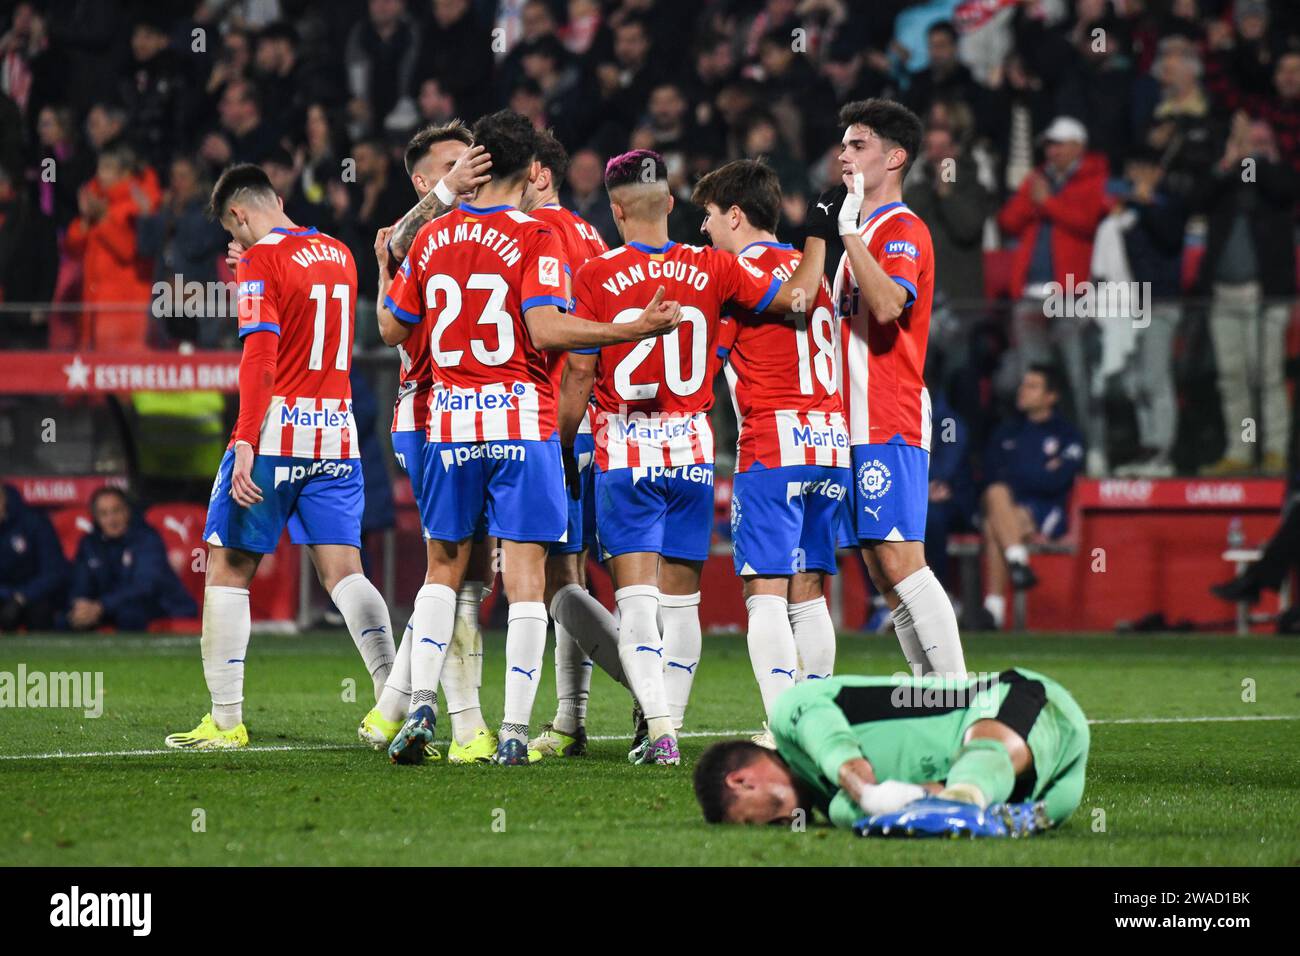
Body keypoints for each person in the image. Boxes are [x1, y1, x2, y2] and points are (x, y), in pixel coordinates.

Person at [376, 111, 681, 766]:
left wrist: (434, 206)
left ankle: (421, 702)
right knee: (536, 580)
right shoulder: (551, 235)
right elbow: (553, 336)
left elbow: (393, 328)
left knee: (446, 574)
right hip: (534, 425)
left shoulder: (430, 237)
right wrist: (631, 333)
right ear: (532, 172)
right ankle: (521, 729)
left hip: (449, 423)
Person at [560, 148, 827, 764]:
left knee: (637, 602)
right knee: (683, 604)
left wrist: (560, 443)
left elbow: (578, 372)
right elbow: (795, 302)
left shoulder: (597, 275)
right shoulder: (711, 267)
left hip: (627, 448)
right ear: (672, 204)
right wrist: (816, 235)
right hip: (692, 450)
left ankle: (659, 729)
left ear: (616, 209)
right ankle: (668, 724)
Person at [165, 164, 397, 750]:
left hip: (275, 436)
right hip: (336, 434)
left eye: (232, 231)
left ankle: (225, 721)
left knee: (227, 567)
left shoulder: (260, 263)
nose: (233, 244)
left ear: (240, 213)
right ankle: (394, 702)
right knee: (345, 570)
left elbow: (261, 359)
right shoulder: (339, 253)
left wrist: (244, 441)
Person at [363, 120, 502, 766]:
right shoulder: (409, 233)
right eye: (453, 165)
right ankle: (466, 726)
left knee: (460, 575)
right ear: (425, 181)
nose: (470, 173)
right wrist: (446, 192)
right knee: (453, 570)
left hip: (469, 418)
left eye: (473, 162)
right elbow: (389, 321)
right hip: (431, 415)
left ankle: (397, 706)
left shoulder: (478, 232)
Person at [692, 158, 844, 745]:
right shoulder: (812, 274)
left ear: (735, 215)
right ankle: (819, 721)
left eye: (707, 217)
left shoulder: (738, 278)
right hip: (829, 443)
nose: (703, 229)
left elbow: (706, 370)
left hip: (775, 443)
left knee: (765, 593)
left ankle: (784, 726)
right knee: (809, 591)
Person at [814, 98, 967, 679]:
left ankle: (955, 695)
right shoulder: (863, 232)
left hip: (887, 412)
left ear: (896, 157)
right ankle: (931, 690)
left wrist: (847, 230)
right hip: (846, 418)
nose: (843, 155)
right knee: (880, 568)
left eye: (859, 145)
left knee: (902, 558)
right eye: (844, 144)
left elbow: (886, 304)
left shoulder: (901, 228)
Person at [526, 130, 637, 760]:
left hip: (559, 422)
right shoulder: (590, 236)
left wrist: (560, 443)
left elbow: (572, 354)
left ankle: (654, 696)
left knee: (553, 578)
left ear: (540, 174)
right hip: (594, 423)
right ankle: (571, 721)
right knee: (566, 574)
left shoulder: (544, 237)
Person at [692, 668, 1090, 835]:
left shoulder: (788, 715)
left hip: (1017, 700)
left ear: (741, 781)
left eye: (749, 823)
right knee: (930, 806)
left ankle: (966, 803)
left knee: (981, 752)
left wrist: (865, 791)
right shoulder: (839, 810)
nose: (770, 828)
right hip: (1047, 792)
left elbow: (833, 745)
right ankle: (970, 807)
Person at [995, 115, 1109, 464]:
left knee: (1077, 376)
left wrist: (1048, 204)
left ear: (1078, 146)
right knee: (1032, 379)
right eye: (1049, 144)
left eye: (1058, 144)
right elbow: (1008, 221)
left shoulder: (1095, 179)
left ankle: (1091, 449)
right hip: (1030, 292)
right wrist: (1036, 199)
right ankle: (1037, 451)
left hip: (1070, 294)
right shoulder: (1038, 178)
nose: (1051, 150)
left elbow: (1087, 222)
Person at [978, 365, 1084, 630]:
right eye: (1023, 384)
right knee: (996, 494)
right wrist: (1035, 472)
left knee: (995, 522)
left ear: (1051, 397)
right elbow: (989, 474)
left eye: (1032, 386)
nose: (1023, 391)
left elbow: (1056, 481)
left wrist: (1019, 474)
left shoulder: (1067, 435)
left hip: (1046, 510)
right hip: (1012, 508)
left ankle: (995, 608)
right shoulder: (1007, 431)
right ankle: (1017, 562)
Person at [67, 488, 197, 632]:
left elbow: (145, 586)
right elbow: (80, 581)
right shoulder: (90, 543)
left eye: (116, 511)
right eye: (104, 514)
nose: (112, 520)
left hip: (159, 605)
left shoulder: (147, 538)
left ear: (127, 511)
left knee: (130, 614)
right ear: (96, 518)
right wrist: (81, 605)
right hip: (109, 607)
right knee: (67, 618)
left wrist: (101, 606)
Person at [0, 483, 66, 632]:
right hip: (4, 594)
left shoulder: (34, 522)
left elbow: (54, 571)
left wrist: (20, 597)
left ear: (3, 499)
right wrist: (7, 595)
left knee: (40, 611)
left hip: (35, 596)